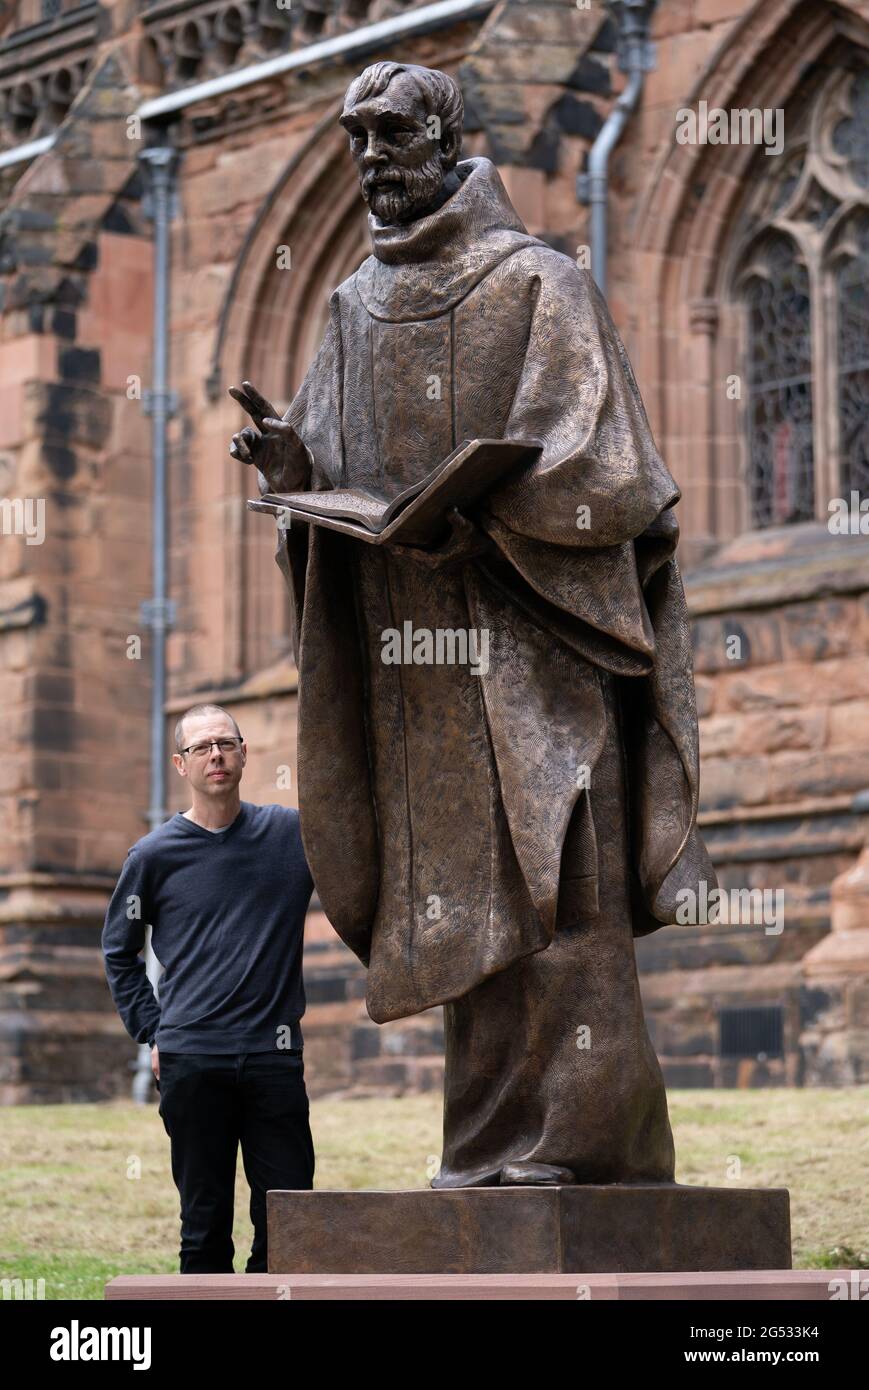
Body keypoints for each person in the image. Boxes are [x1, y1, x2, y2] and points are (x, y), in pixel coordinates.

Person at [228, 63, 715, 1187]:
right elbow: (336, 465)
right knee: (469, 910)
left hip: (538, 643)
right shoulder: (352, 306)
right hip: (420, 670)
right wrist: (294, 464)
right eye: (355, 140)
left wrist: (487, 517)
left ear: (449, 140)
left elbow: (607, 467)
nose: (370, 160)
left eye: (391, 134)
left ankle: (585, 1147)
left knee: (563, 891)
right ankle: (488, 1151)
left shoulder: (542, 285)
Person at [101, 703, 315, 1272]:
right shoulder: (151, 857)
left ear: (244, 753)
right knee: (204, 1225)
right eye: (201, 748)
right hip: (192, 1058)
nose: (215, 755)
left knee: (290, 1220)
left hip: (274, 1056)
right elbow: (118, 952)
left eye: (226, 743)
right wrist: (152, 1032)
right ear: (181, 764)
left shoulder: (291, 835)